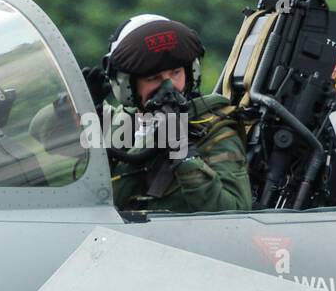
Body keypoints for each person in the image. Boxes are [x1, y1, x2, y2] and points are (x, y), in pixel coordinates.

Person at [103, 15, 252, 213]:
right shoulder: (117, 124)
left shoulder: (213, 132)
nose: (168, 86)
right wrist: (75, 110)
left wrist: (184, 156)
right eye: (153, 77)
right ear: (127, 84)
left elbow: (235, 213)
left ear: (191, 73)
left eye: (175, 73)